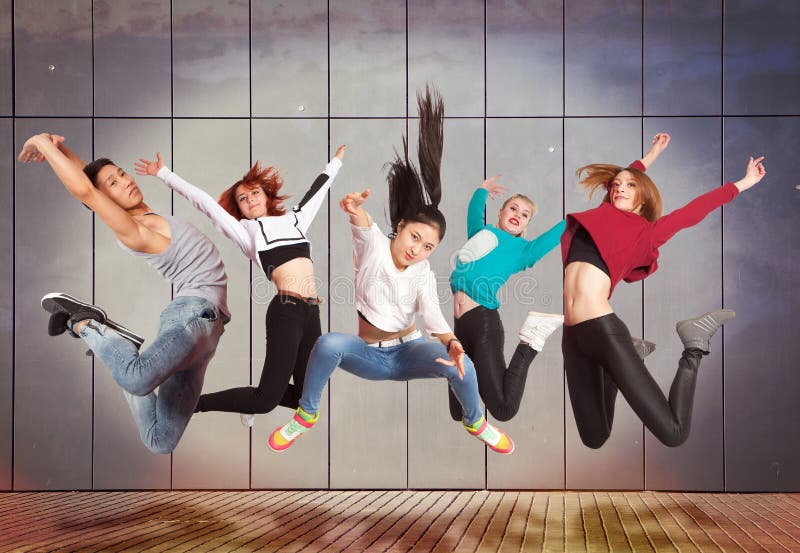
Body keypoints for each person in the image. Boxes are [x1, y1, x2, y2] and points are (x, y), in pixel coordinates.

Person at [268, 86, 514, 454]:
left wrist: (452, 344)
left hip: (410, 350)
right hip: (370, 355)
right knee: (329, 343)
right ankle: (306, 414)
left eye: (427, 246)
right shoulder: (374, 246)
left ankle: (476, 421)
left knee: (463, 366)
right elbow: (364, 224)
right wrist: (353, 207)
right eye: (414, 237)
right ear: (400, 227)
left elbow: (431, 312)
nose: (417, 249)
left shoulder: (423, 271)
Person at [19, 132, 230, 454]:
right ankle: (86, 325)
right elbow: (89, 191)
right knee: (136, 379)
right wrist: (42, 143)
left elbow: (90, 178)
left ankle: (123, 345)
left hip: (207, 336)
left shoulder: (149, 216)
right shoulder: (136, 231)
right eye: (114, 185)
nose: (124, 181)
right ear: (107, 202)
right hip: (195, 316)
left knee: (160, 441)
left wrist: (58, 150)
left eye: (121, 174)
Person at [561, 132, 766, 448]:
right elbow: (628, 173)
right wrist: (652, 152)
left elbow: (691, 212)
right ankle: (625, 360)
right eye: (617, 184)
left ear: (642, 198)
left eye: (630, 186)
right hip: (573, 337)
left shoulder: (645, 233)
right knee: (594, 437)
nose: (619, 188)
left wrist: (742, 183)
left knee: (674, 433)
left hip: (602, 329)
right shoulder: (602, 215)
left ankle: (694, 344)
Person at [134, 146, 345, 427]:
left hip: (311, 312)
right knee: (265, 401)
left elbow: (317, 192)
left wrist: (335, 163)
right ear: (240, 209)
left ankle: (245, 402)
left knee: (303, 396)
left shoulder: (295, 219)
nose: (250, 200)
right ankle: (193, 404)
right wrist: (163, 173)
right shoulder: (246, 231)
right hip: (287, 310)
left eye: (254, 192)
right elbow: (206, 204)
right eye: (243, 199)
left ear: (267, 196)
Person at [447, 175, 566, 422]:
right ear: (500, 212)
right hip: (460, 327)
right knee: (456, 411)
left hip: (484, 324)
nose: (518, 214)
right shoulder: (479, 233)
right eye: (513, 208)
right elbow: (474, 211)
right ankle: (474, 423)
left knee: (503, 409)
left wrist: (575, 222)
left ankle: (530, 340)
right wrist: (481, 190)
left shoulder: (522, 252)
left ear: (526, 226)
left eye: (525, 215)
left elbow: (553, 237)